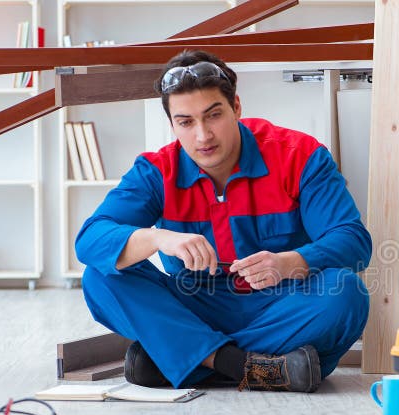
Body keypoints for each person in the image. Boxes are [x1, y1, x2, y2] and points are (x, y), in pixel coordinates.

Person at [75, 50, 372, 393]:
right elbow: (90, 239)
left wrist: (290, 263)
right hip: (195, 305)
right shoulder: (156, 171)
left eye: (213, 115)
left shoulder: (299, 155)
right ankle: (253, 368)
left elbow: (353, 240)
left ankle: (186, 358)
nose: (203, 136)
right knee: (101, 276)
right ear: (172, 125)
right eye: (186, 122)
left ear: (237, 107)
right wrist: (158, 238)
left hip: (281, 303)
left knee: (346, 293)